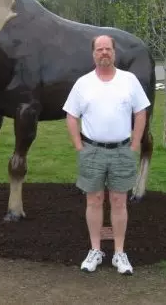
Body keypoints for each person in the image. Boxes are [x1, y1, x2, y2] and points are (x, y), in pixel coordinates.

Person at [62, 34, 150, 274]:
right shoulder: (83, 83)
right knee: (94, 200)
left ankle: (119, 254)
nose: (104, 53)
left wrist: (134, 144)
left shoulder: (129, 80)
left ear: (114, 52)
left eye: (107, 49)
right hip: (92, 151)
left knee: (119, 201)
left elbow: (141, 112)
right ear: (93, 54)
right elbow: (71, 115)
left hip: (122, 151)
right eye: (99, 49)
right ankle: (95, 251)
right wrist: (79, 146)